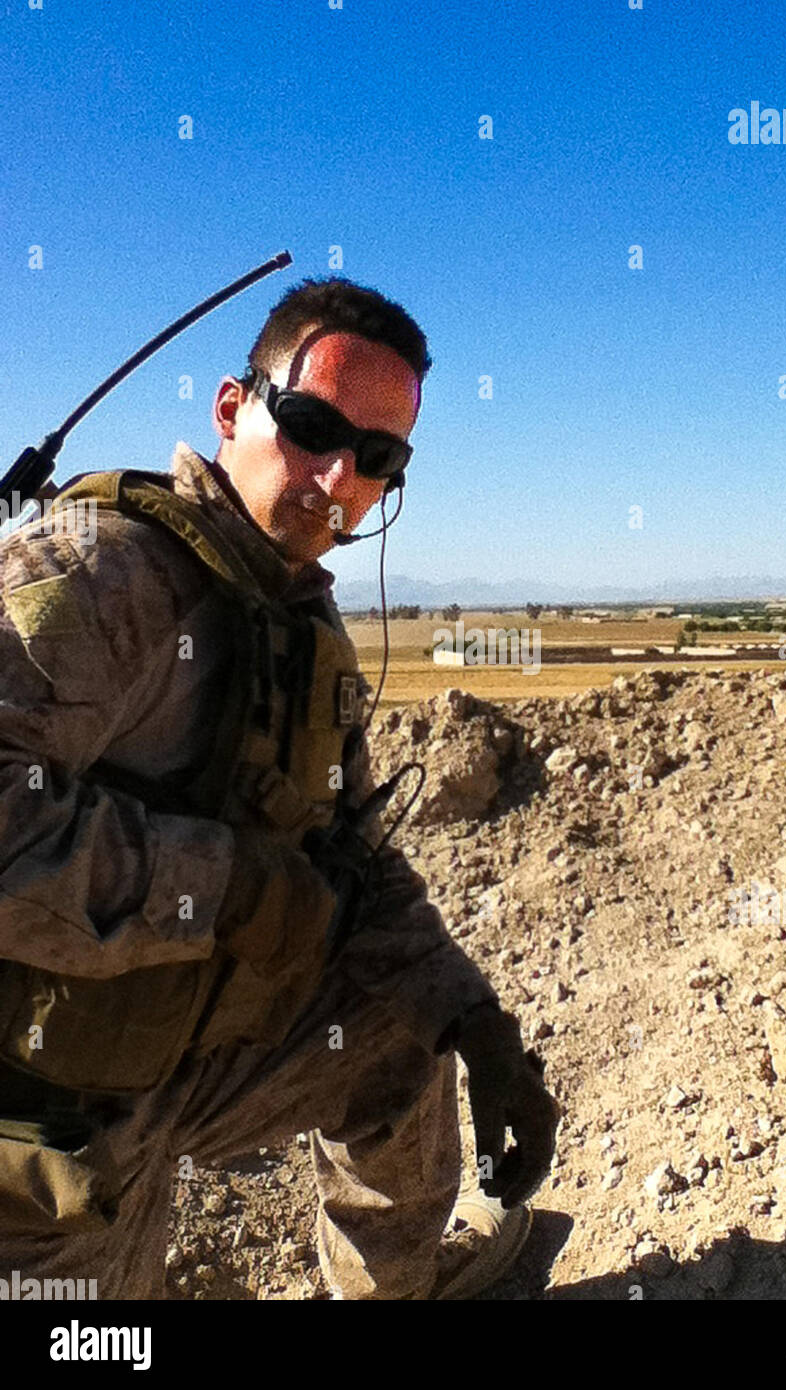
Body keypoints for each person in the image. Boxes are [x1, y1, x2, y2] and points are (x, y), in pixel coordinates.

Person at [0, 276, 560, 1301]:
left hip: (190, 1055)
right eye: (312, 427)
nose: (340, 477)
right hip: (41, 1114)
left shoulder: (301, 626)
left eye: (379, 460)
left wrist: (474, 1020)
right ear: (232, 409)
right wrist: (232, 889)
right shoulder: (97, 574)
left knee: (399, 1032)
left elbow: (353, 859)